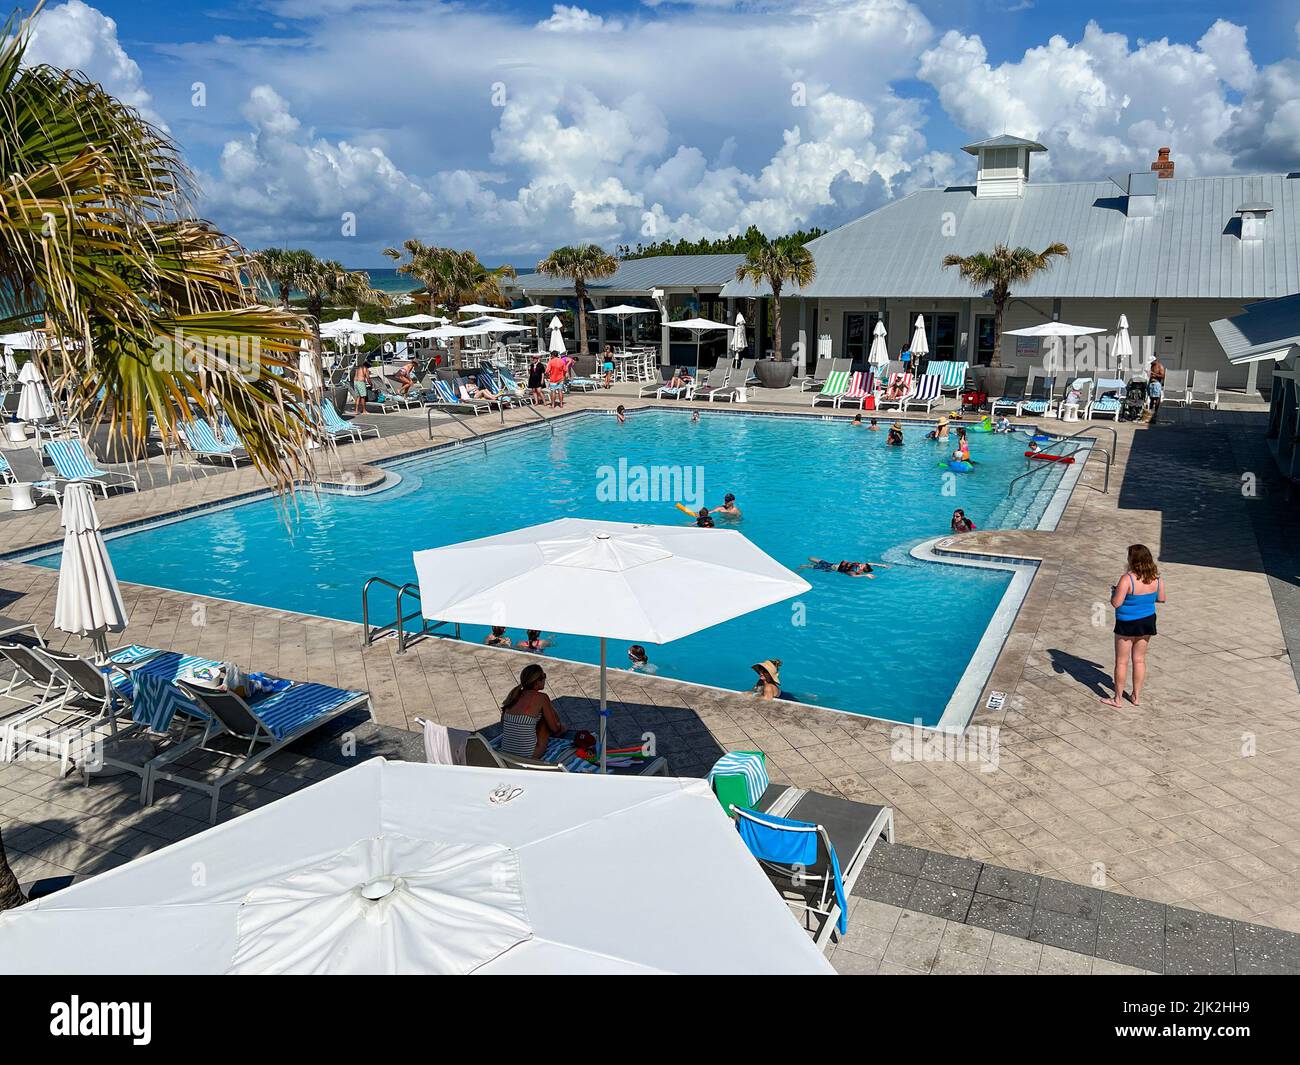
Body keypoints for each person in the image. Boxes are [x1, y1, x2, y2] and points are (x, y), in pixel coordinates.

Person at [1102, 544, 1166, 708]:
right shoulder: (1156, 578)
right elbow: (1162, 598)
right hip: (1147, 621)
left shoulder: (1127, 579)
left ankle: (1117, 699)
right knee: (1139, 660)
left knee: (1122, 662)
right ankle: (1136, 697)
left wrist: (1113, 593)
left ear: (1132, 560)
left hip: (1127, 623)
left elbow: (1116, 603)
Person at [498, 663, 566, 759]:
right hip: (528, 755)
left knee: (535, 719)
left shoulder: (513, 695)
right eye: (544, 676)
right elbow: (554, 728)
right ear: (536, 682)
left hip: (506, 751)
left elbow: (503, 722)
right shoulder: (541, 698)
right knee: (547, 723)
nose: (545, 679)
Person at [799, 557, 879, 578]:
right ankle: (803, 566)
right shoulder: (853, 570)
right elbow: (853, 576)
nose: (862, 564)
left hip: (831, 565)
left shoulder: (856, 568)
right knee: (808, 565)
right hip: (829, 567)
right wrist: (881, 565)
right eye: (863, 564)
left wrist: (865, 575)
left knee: (811, 558)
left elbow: (853, 575)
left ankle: (808, 563)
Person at [1147, 356, 1166, 423]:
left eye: (1151, 362)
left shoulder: (1160, 366)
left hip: (1156, 383)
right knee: (1151, 399)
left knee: (1157, 399)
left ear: (1155, 360)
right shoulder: (1152, 366)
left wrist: (1153, 374)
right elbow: (1151, 375)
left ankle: (1155, 414)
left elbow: (1163, 376)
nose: (1151, 364)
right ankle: (1150, 414)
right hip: (1151, 383)